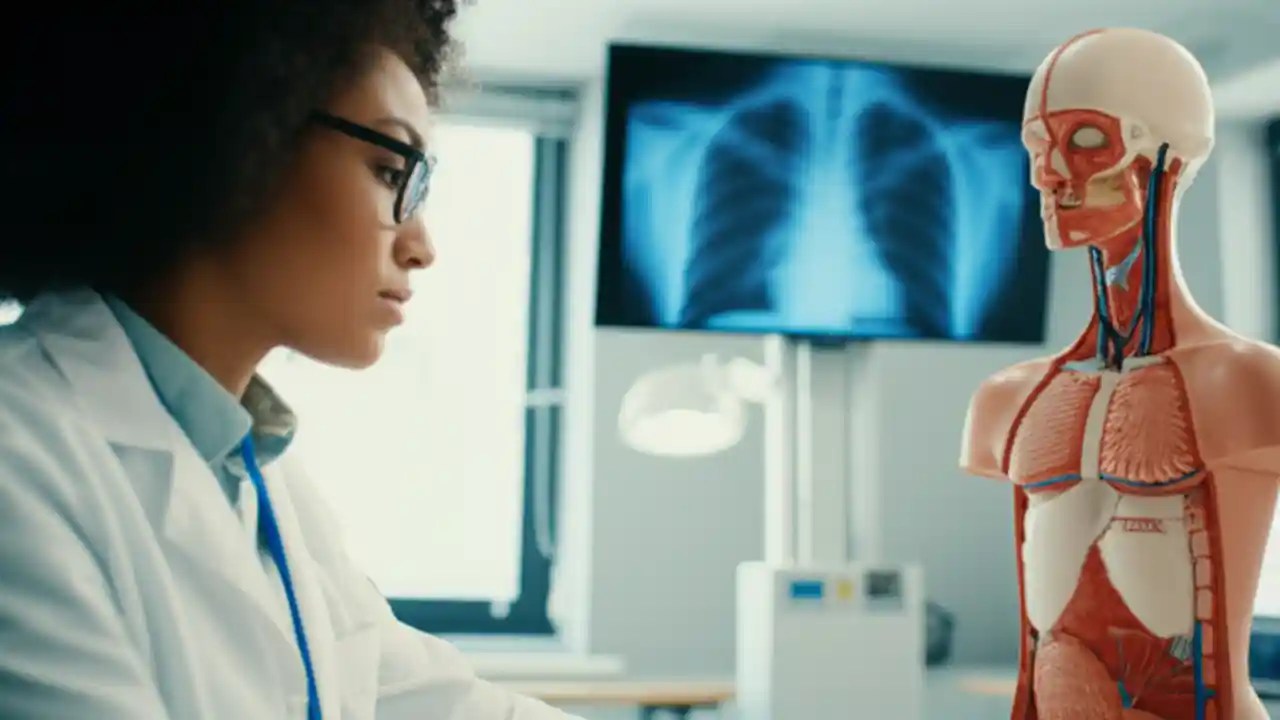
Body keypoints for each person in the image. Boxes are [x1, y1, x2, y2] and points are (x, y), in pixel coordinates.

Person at [0, 4, 583, 718]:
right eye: (389, 170)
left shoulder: (257, 478)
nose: (420, 246)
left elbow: (428, 700)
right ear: (232, 130)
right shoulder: (20, 455)